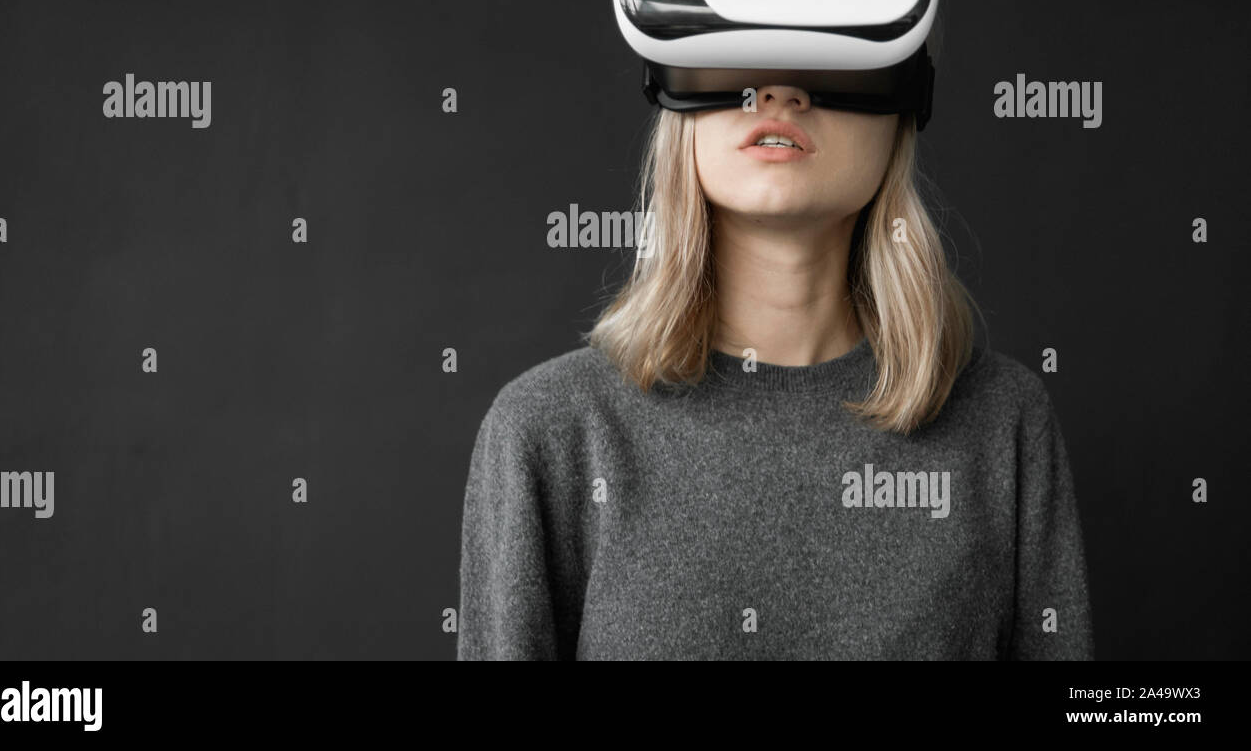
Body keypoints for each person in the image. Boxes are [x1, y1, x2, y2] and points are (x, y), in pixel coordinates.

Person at [456, 84, 1094, 660]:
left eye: (831, 58)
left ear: (902, 111)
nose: (778, 92)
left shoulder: (1002, 419)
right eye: (735, 55)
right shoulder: (549, 433)